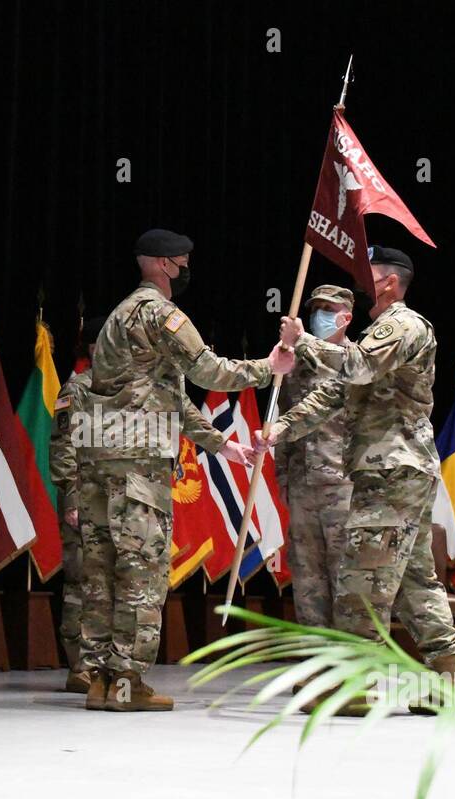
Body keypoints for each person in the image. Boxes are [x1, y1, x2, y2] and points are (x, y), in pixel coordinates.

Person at [77, 228, 294, 712]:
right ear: (161, 264)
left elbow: (170, 397)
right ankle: (127, 685)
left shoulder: (117, 316)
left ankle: (101, 681)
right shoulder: (159, 312)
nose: (186, 268)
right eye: (182, 260)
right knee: (142, 573)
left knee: (106, 572)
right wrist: (269, 366)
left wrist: (221, 444)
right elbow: (207, 371)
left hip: (100, 460)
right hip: (137, 465)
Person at [258, 245, 455, 711]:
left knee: (360, 581)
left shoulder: (402, 324)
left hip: (391, 471)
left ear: (390, 282)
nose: (361, 280)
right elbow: (335, 394)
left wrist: (304, 341)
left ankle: (356, 688)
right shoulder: (380, 332)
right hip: (391, 472)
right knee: (415, 583)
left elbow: (357, 367)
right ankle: (447, 683)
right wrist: (280, 429)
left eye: (368, 273)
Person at [50, 313, 236, 693]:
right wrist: (71, 498)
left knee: (133, 583)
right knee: (92, 585)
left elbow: (185, 416)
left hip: (138, 499)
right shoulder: (82, 387)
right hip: (94, 499)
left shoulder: (152, 385)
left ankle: (113, 673)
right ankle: (89, 667)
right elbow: (64, 447)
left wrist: (225, 445)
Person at [278, 284, 355, 631]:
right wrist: (283, 478)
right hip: (303, 484)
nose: (319, 315)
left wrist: (300, 340)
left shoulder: (360, 359)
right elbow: (283, 424)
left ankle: (347, 669)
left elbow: (337, 370)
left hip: (345, 484)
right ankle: (316, 664)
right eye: (315, 309)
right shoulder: (296, 365)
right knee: (307, 577)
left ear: (346, 316)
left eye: (328, 308)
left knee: (346, 575)